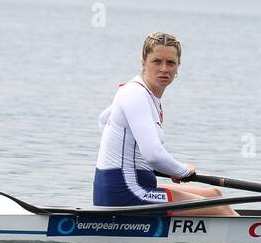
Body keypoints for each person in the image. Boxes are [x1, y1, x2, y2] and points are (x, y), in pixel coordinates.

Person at [92, 32, 236, 216]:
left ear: (178, 67)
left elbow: (103, 120)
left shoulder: (141, 93)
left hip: (132, 184)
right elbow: (153, 154)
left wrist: (134, 161)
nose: (164, 69)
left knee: (215, 195)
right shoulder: (135, 95)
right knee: (221, 209)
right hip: (125, 193)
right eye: (157, 61)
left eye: (171, 63)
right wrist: (182, 171)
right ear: (144, 62)